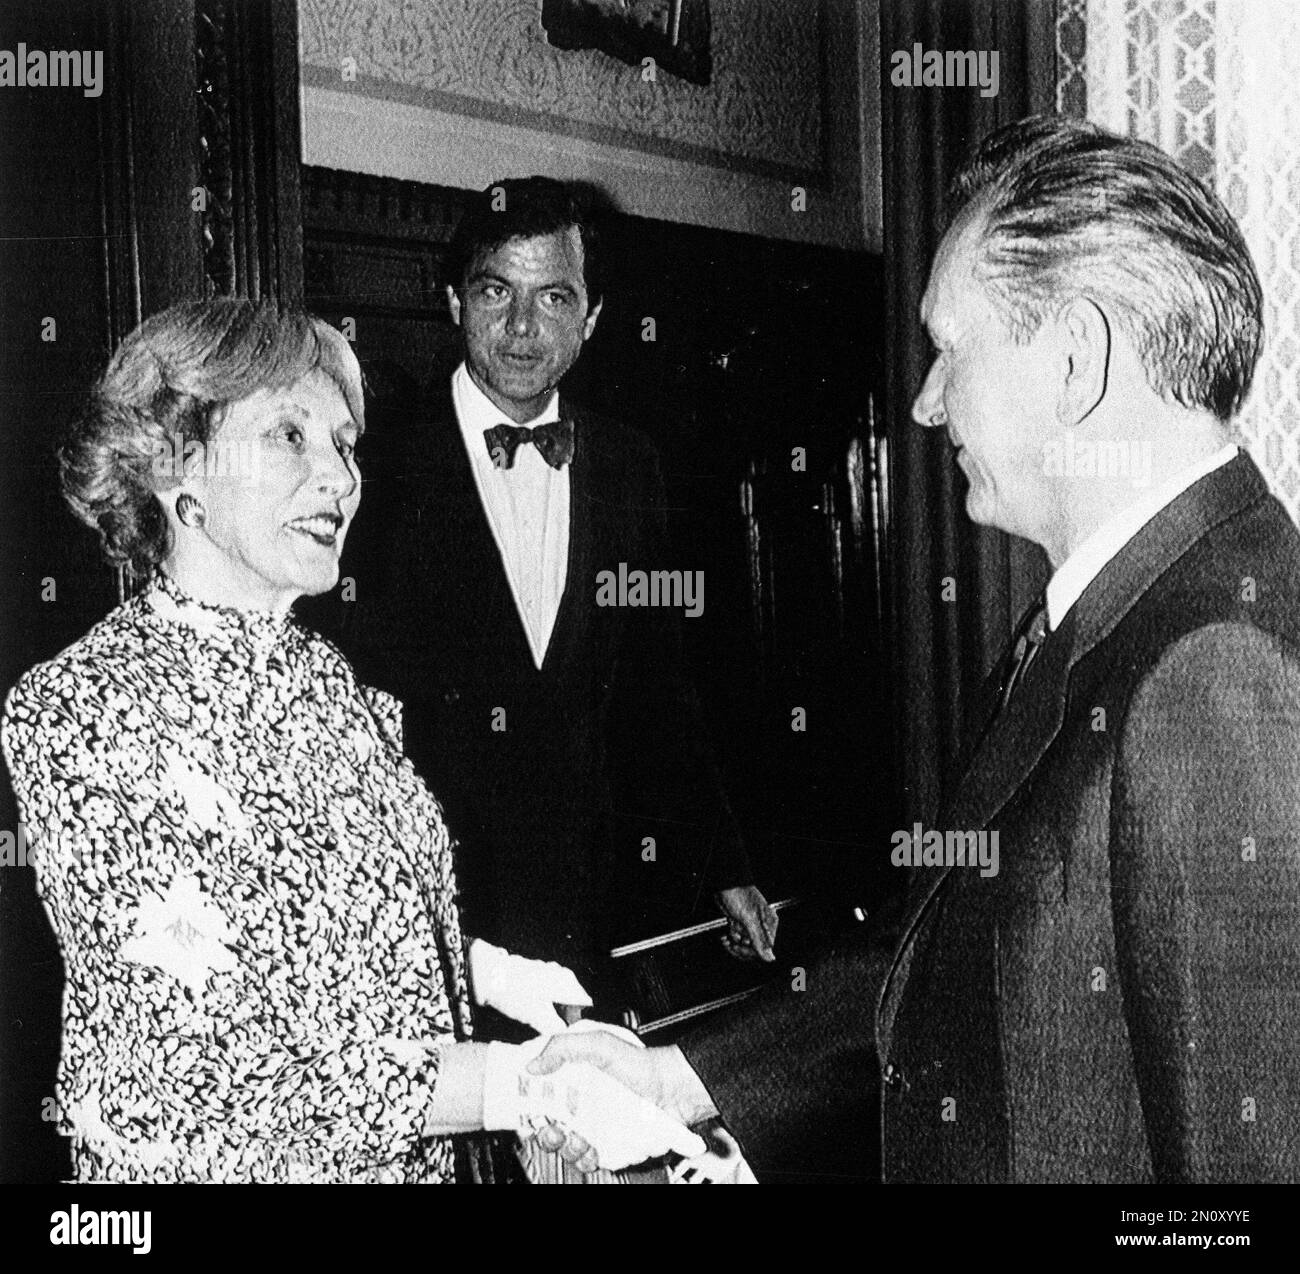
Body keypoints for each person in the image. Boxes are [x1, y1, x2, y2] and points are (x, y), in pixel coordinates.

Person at [532, 116, 1300, 1183]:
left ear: (1075, 357)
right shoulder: (1114, 612)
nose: (926, 401)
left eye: (950, 346)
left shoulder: (1216, 667)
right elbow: (935, 947)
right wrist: (676, 1076)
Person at [0, 299, 702, 1182]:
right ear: (175, 466)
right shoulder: (82, 709)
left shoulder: (332, 680)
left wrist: (482, 971)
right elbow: (210, 1077)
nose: (339, 478)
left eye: (343, 444)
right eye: (290, 436)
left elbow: (314, 924)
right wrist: (513, 1085)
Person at [335, 176, 776, 1012]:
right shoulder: (368, 470)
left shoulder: (628, 468)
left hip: (587, 911)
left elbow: (660, 687)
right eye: (497, 291)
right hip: (421, 923)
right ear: (454, 301)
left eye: (555, 297)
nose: (523, 327)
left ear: (593, 318)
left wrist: (725, 867)